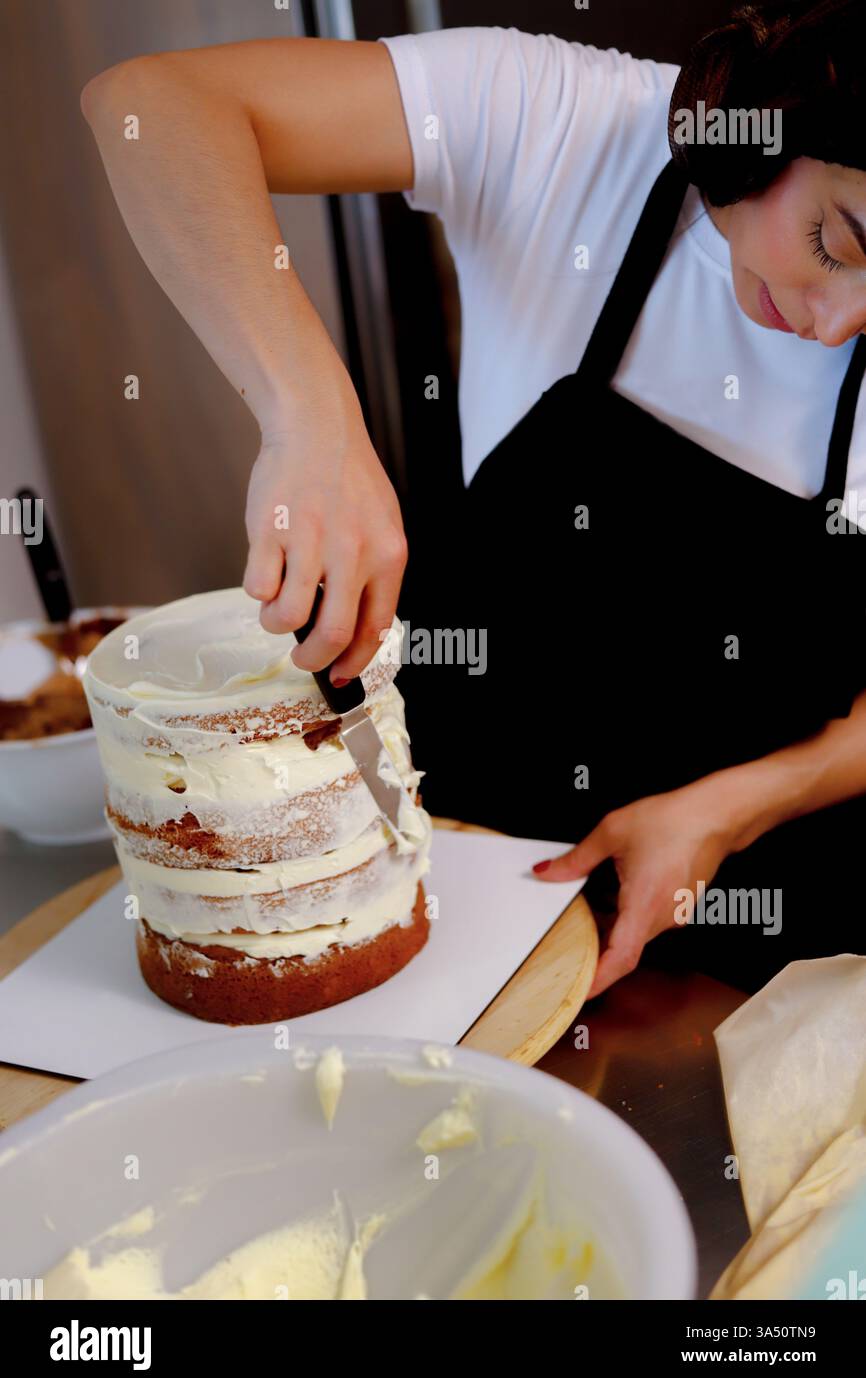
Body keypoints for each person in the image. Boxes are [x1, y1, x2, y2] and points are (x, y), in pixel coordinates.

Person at [82, 1, 866, 998]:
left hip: (768, 944)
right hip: (461, 907)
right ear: (775, 116)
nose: (836, 323)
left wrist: (725, 811)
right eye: (835, 243)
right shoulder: (564, 124)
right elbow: (152, 104)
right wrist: (311, 422)